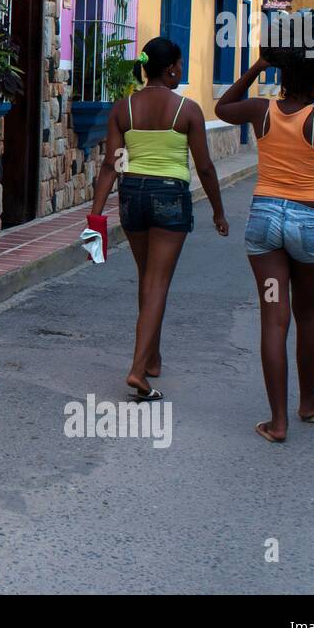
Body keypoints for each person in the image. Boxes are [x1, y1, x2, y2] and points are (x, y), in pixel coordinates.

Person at [216, 52, 314, 443]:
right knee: (308, 315)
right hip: (308, 223)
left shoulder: (260, 110)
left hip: (265, 223)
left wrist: (255, 68)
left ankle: (277, 422)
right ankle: (308, 402)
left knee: (274, 319)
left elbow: (222, 108)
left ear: (282, 79)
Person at [90, 36, 228, 401]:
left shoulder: (124, 109)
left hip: (132, 196)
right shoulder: (188, 110)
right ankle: (138, 370)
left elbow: (111, 165)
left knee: (147, 279)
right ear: (170, 69)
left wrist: (95, 215)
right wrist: (218, 211)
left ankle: (152, 357)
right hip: (169, 196)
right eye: (179, 65)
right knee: (158, 283)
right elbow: (206, 168)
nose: (181, 70)